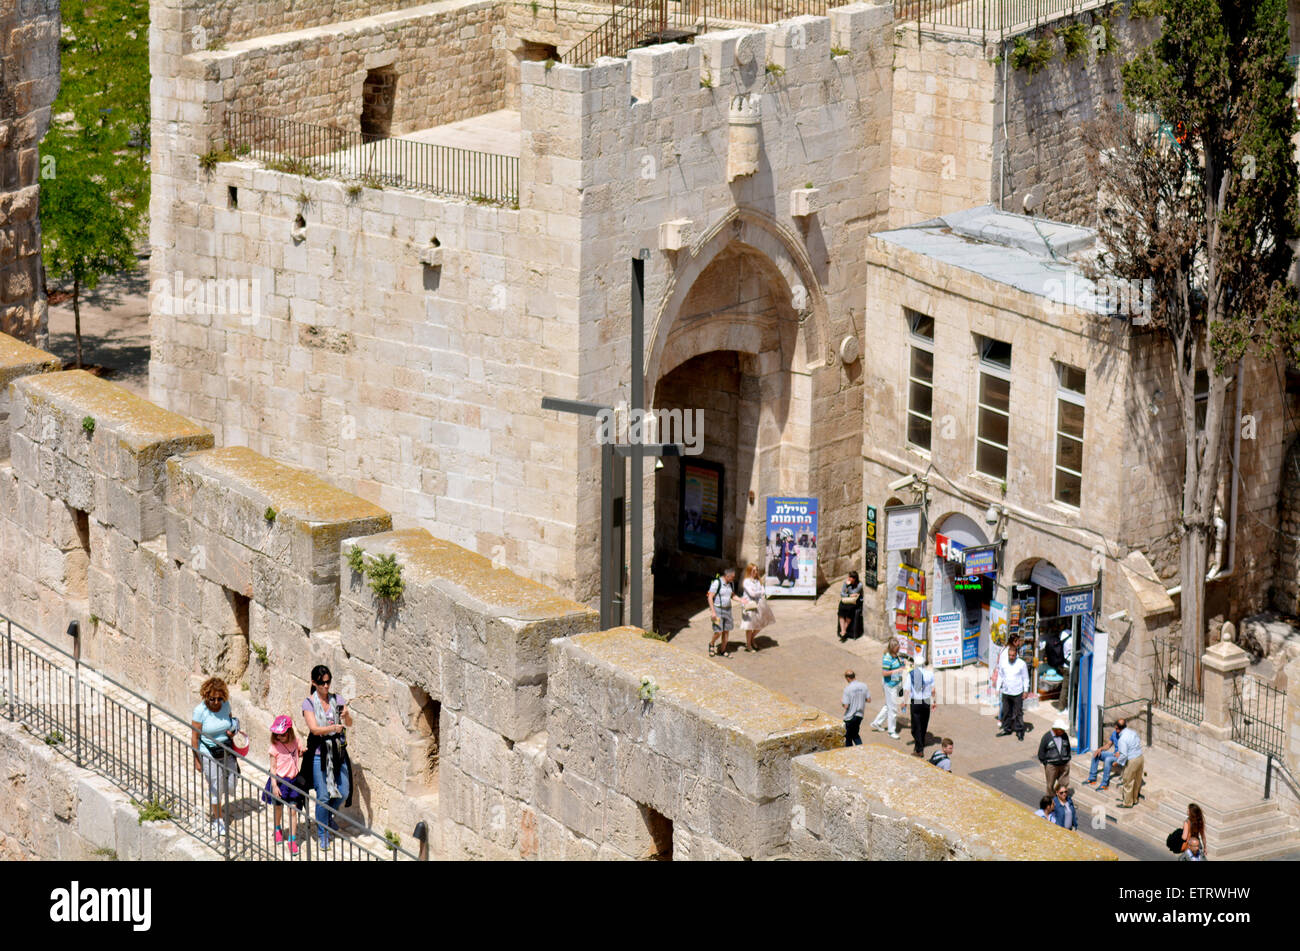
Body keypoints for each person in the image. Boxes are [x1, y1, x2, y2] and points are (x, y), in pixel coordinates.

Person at [302, 664, 354, 849]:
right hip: (319, 754)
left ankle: (328, 815)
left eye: (328, 682)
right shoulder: (308, 703)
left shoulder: (337, 699)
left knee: (344, 790)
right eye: (322, 683)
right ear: (314, 683)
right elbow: (314, 729)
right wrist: (333, 728)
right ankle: (323, 832)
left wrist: (347, 716)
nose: (326, 686)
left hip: (338, 752)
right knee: (323, 795)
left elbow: (349, 723)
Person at [190, 676, 240, 838]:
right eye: (212, 699)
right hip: (208, 752)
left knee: (232, 784)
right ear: (206, 696)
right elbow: (195, 738)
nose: (216, 702)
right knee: (216, 788)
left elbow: (230, 721)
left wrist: (233, 730)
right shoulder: (200, 711)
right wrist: (197, 760)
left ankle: (215, 795)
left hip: (226, 749)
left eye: (219, 698)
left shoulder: (225, 705)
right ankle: (218, 818)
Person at [261, 714, 306, 855]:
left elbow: (297, 752)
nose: (279, 737)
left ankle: (292, 840)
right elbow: (273, 768)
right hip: (280, 782)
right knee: (278, 808)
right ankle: (277, 828)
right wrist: (274, 786)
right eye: (276, 734)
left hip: (293, 780)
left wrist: (302, 751)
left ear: (289, 732)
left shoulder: (295, 741)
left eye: (282, 734)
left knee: (293, 810)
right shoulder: (274, 747)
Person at [870, 637, 905, 738]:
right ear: (892, 648)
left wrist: (902, 665)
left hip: (896, 683)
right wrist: (897, 670)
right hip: (890, 685)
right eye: (897, 648)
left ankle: (876, 722)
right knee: (893, 708)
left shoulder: (896, 656)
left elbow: (898, 666)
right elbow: (885, 673)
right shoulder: (887, 658)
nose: (899, 649)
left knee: (888, 705)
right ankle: (891, 731)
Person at [996, 641, 1030, 741]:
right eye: (1010, 655)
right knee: (1006, 712)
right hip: (1006, 692)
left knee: (1018, 712)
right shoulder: (1003, 663)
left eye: (1013, 655)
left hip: (1017, 692)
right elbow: (1000, 676)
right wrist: (998, 688)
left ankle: (1019, 731)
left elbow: (1026, 678)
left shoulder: (1021, 664)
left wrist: (1025, 690)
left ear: (1016, 654)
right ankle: (1007, 728)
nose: (1011, 657)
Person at [905, 657, 935, 756]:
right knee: (923, 724)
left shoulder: (911, 674)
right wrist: (934, 701)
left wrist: (904, 702)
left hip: (916, 702)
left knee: (915, 726)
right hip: (926, 701)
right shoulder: (930, 674)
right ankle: (920, 743)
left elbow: (907, 690)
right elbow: (933, 690)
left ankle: (919, 749)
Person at [1084, 718, 1124, 791]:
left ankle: (1104, 784)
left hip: (1122, 756)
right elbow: (1108, 745)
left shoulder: (1127, 736)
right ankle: (1092, 777)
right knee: (1096, 754)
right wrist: (1100, 749)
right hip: (1114, 754)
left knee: (1108, 760)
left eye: (1118, 729)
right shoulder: (1115, 733)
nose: (1116, 730)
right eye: (1115, 728)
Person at [1038, 718, 1072, 797]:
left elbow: (1068, 748)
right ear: (1056, 729)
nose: (1063, 731)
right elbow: (1041, 752)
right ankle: (1051, 799)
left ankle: (1060, 796)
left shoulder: (1064, 735)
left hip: (1064, 764)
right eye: (1062, 730)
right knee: (1050, 785)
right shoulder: (1047, 737)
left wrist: (1067, 758)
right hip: (1051, 765)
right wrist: (1046, 763)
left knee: (1064, 782)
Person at [1115, 719, 1145, 809]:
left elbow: (1124, 754)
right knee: (1137, 780)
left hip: (1132, 760)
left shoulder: (1122, 739)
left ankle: (1127, 803)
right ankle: (1135, 799)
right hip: (1140, 757)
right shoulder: (1133, 732)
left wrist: (1117, 762)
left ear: (1117, 728)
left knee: (1127, 781)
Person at [708, 568, 736, 658]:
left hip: (728, 610)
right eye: (732, 577)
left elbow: (732, 595)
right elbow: (710, 597)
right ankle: (711, 644)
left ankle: (723, 650)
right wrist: (713, 612)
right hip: (718, 610)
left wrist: (741, 600)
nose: (733, 579)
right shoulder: (717, 583)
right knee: (718, 631)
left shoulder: (731, 583)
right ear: (727, 576)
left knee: (726, 631)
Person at [738, 563, 767, 652]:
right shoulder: (746, 581)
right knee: (750, 626)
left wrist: (756, 592)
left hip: (758, 605)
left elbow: (763, 592)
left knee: (760, 624)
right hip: (749, 606)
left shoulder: (758, 580)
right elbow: (752, 594)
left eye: (756, 570)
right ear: (749, 571)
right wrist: (757, 592)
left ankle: (751, 639)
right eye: (753, 570)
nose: (756, 572)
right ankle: (749, 645)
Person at [841, 669, 871, 747]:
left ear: (847, 678)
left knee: (848, 737)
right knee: (855, 735)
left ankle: (850, 753)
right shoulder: (864, 686)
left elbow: (846, 706)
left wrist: (843, 704)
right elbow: (868, 700)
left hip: (850, 717)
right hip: (859, 715)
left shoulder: (847, 689)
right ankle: (861, 749)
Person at [837, 571, 864, 641]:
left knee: (850, 610)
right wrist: (848, 595)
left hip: (855, 601)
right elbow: (842, 593)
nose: (849, 579)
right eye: (849, 577)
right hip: (847, 599)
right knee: (841, 607)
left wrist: (848, 586)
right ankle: (843, 631)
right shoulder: (845, 582)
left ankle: (843, 630)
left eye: (850, 577)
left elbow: (854, 592)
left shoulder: (859, 585)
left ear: (854, 579)